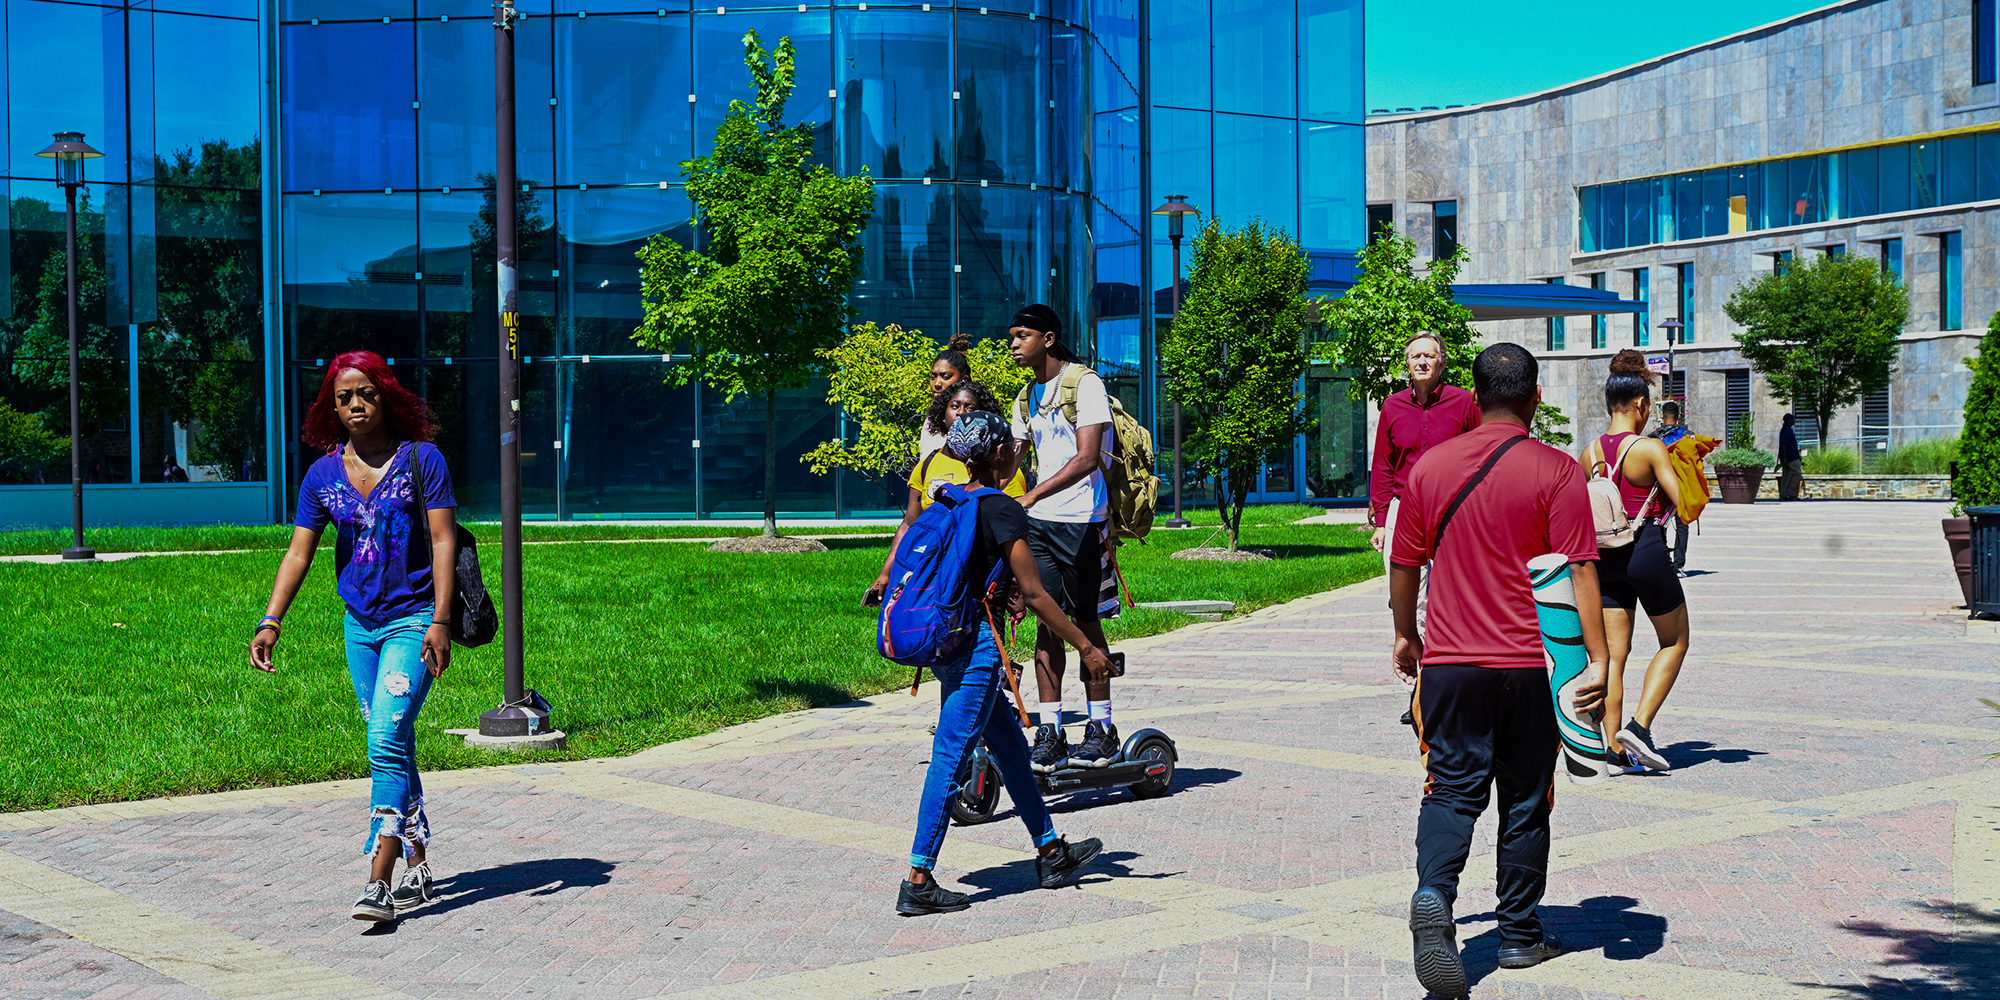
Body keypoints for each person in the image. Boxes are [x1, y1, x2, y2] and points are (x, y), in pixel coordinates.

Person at [1390, 342, 1609, 999]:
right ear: (1535, 398)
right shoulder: (1558, 471)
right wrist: (1598, 660)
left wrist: (1406, 636)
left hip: (1453, 664)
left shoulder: (1430, 469)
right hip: (1530, 670)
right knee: (1526, 798)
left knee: (1450, 790)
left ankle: (1434, 894)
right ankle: (1517, 934)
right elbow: (1579, 571)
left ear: (1474, 396)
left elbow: (1405, 566)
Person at [248, 350, 459, 924]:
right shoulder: (321, 476)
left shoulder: (423, 461)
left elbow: (443, 542)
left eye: (365, 393)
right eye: (343, 398)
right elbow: (298, 552)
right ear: (331, 407)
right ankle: (417, 859)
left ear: (384, 395)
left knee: (385, 737)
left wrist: (441, 620)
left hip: (414, 619)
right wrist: (271, 621)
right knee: (390, 735)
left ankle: (378, 881)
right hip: (359, 627)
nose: (355, 405)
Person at [879, 410, 1109, 915]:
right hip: (977, 647)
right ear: (997, 452)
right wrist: (1087, 647)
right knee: (950, 753)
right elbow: (1036, 593)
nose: (1015, 450)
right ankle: (919, 877)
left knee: (1007, 744)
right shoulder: (1001, 509)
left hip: (946, 643)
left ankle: (1051, 852)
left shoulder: (951, 501)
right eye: (1010, 444)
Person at [1004, 303, 1123, 772]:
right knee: (1046, 623)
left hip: (1081, 522)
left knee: (1087, 622)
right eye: (1011, 336)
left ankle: (1102, 728)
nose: (1013, 344)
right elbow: (1010, 462)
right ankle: (1050, 732)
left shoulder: (1084, 384)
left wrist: (1030, 496)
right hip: (1039, 525)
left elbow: (1088, 458)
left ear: (1048, 338)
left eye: (1021, 335)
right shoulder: (1024, 398)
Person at [1578, 350, 1689, 774]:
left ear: (1609, 405)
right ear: (1643, 405)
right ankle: (1640, 728)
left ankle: (1612, 750)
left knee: (1612, 657)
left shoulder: (1588, 454)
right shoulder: (1650, 448)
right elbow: (1687, 506)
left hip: (1604, 558)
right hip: (1644, 550)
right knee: (1674, 641)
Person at [867, 379, 1028, 604]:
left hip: (976, 583)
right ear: (942, 415)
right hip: (929, 575)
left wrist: (1014, 584)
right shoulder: (928, 463)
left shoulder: (999, 469)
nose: (961, 413)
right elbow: (909, 523)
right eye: (954, 406)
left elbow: (1011, 534)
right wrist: (887, 572)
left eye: (970, 408)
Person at [1648, 401, 1693, 575]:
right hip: (1681, 486)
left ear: (1662, 416)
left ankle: (1664, 561)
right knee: (1682, 526)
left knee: (1660, 523)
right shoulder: (1688, 436)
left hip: (1660, 487)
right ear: (1678, 417)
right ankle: (1678, 565)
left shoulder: (1653, 437)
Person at [919, 335, 977, 456]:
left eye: (945, 377)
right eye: (933, 377)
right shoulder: (931, 420)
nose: (937, 384)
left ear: (964, 379)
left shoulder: (975, 418)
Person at [1778, 413, 1804, 501]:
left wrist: (1798, 455)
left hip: (1793, 455)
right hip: (1790, 457)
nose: (1794, 421)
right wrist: (1785, 457)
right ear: (1788, 420)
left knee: (1786, 475)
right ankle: (1791, 492)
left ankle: (1783, 494)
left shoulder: (1788, 429)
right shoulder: (1785, 430)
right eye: (1792, 419)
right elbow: (1784, 445)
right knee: (1798, 472)